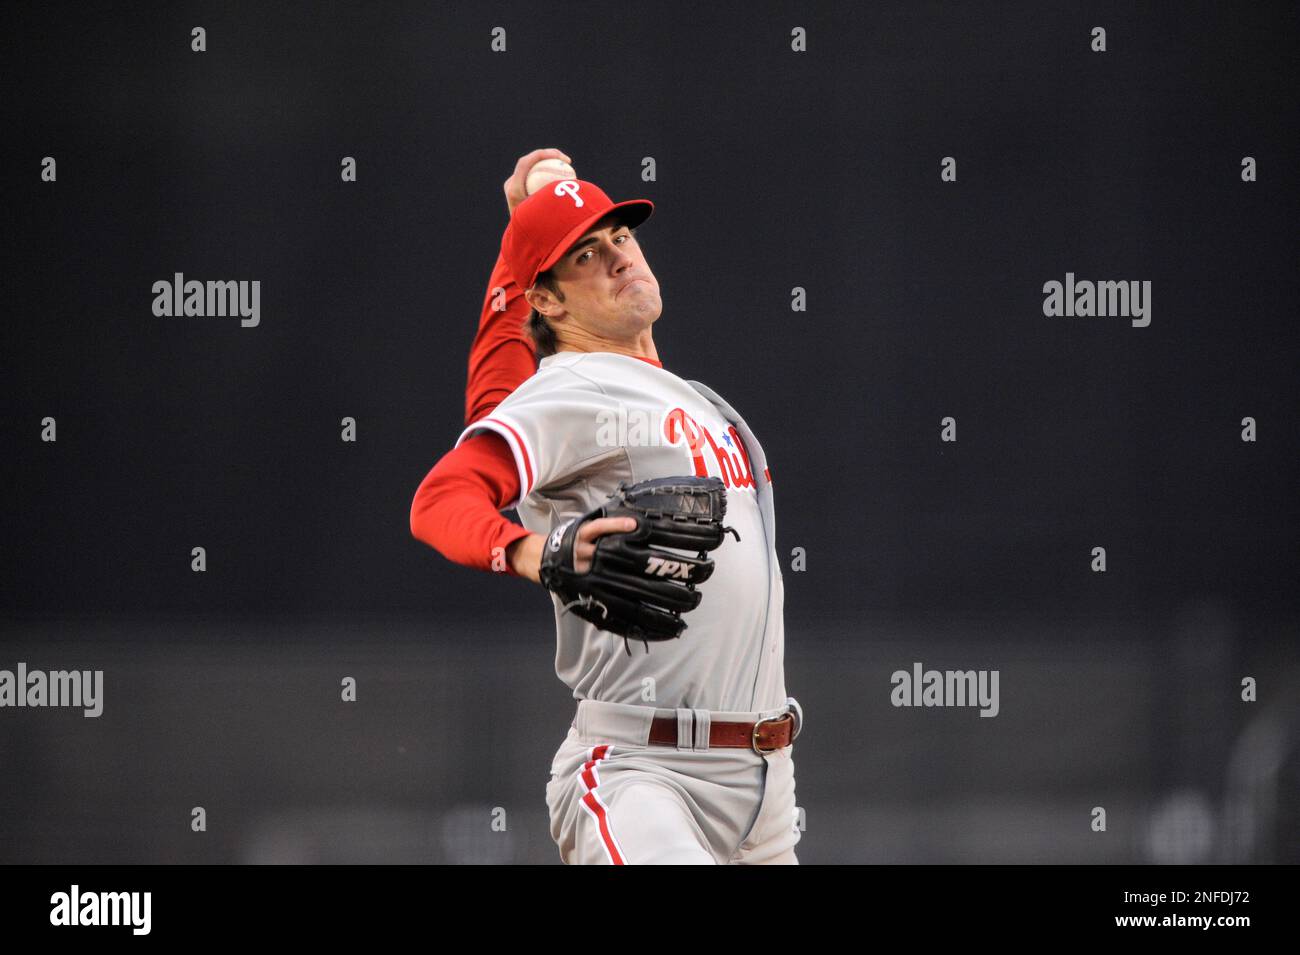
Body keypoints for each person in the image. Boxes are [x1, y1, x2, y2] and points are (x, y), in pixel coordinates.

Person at [410, 148, 802, 864]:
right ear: (550, 301)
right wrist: (540, 552)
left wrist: (527, 230)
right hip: (646, 772)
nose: (620, 256)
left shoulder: (682, 395)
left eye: (621, 236)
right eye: (587, 254)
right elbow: (442, 496)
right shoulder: (577, 386)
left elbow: (496, 398)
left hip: (766, 786)